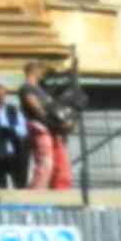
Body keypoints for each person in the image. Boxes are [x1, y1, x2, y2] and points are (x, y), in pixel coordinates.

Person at [24, 64, 85, 192]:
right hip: (42, 127)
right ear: (34, 71)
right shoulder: (27, 88)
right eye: (40, 71)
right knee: (45, 162)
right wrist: (56, 122)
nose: (42, 74)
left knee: (60, 163)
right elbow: (38, 110)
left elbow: (53, 106)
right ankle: (36, 192)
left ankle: (60, 190)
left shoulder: (40, 89)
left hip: (52, 129)